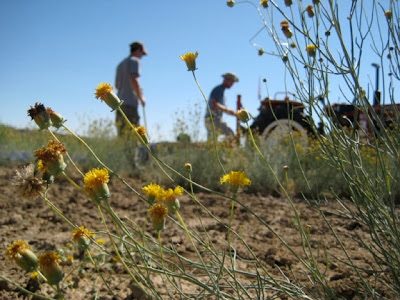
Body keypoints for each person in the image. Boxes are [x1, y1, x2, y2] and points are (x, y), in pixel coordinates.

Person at [115, 41, 147, 136]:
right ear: (138, 50)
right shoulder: (135, 61)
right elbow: (134, 79)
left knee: (122, 136)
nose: (142, 56)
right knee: (136, 135)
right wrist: (141, 97)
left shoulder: (120, 65)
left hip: (119, 103)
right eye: (142, 53)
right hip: (130, 103)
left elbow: (117, 85)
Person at [205, 72, 239, 141]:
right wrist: (228, 110)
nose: (232, 84)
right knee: (230, 134)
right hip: (213, 119)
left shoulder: (220, 90)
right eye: (232, 82)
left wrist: (234, 114)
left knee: (212, 141)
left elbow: (219, 107)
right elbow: (214, 104)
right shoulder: (219, 89)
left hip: (211, 119)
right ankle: (228, 150)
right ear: (227, 80)